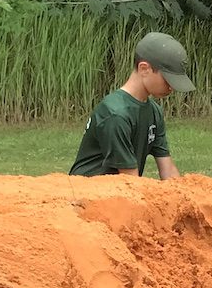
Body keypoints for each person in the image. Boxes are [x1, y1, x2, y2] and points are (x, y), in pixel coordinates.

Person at [69, 31, 195, 179]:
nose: (171, 87)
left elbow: (168, 169)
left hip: (121, 191)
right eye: (168, 80)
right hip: (89, 194)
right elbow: (130, 179)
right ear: (144, 69)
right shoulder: (115, 113)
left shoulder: (154, 111)